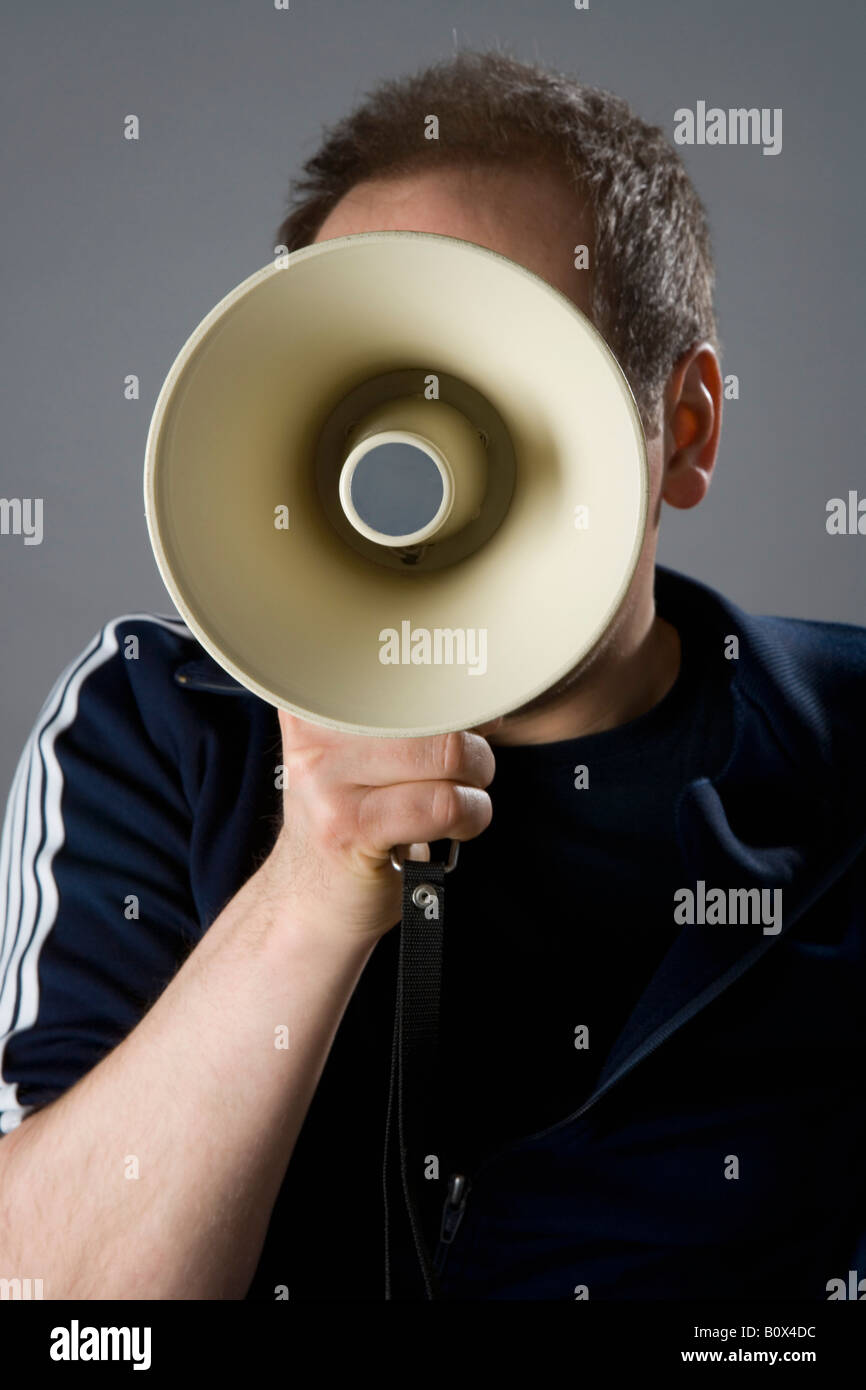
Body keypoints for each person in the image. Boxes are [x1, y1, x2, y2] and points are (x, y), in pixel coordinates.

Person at [1, 50, 864, 1303]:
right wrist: (304, 897)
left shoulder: (841, 743)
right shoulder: (159, 721)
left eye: (504, 370)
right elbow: (64, 1314)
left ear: (684, 426)